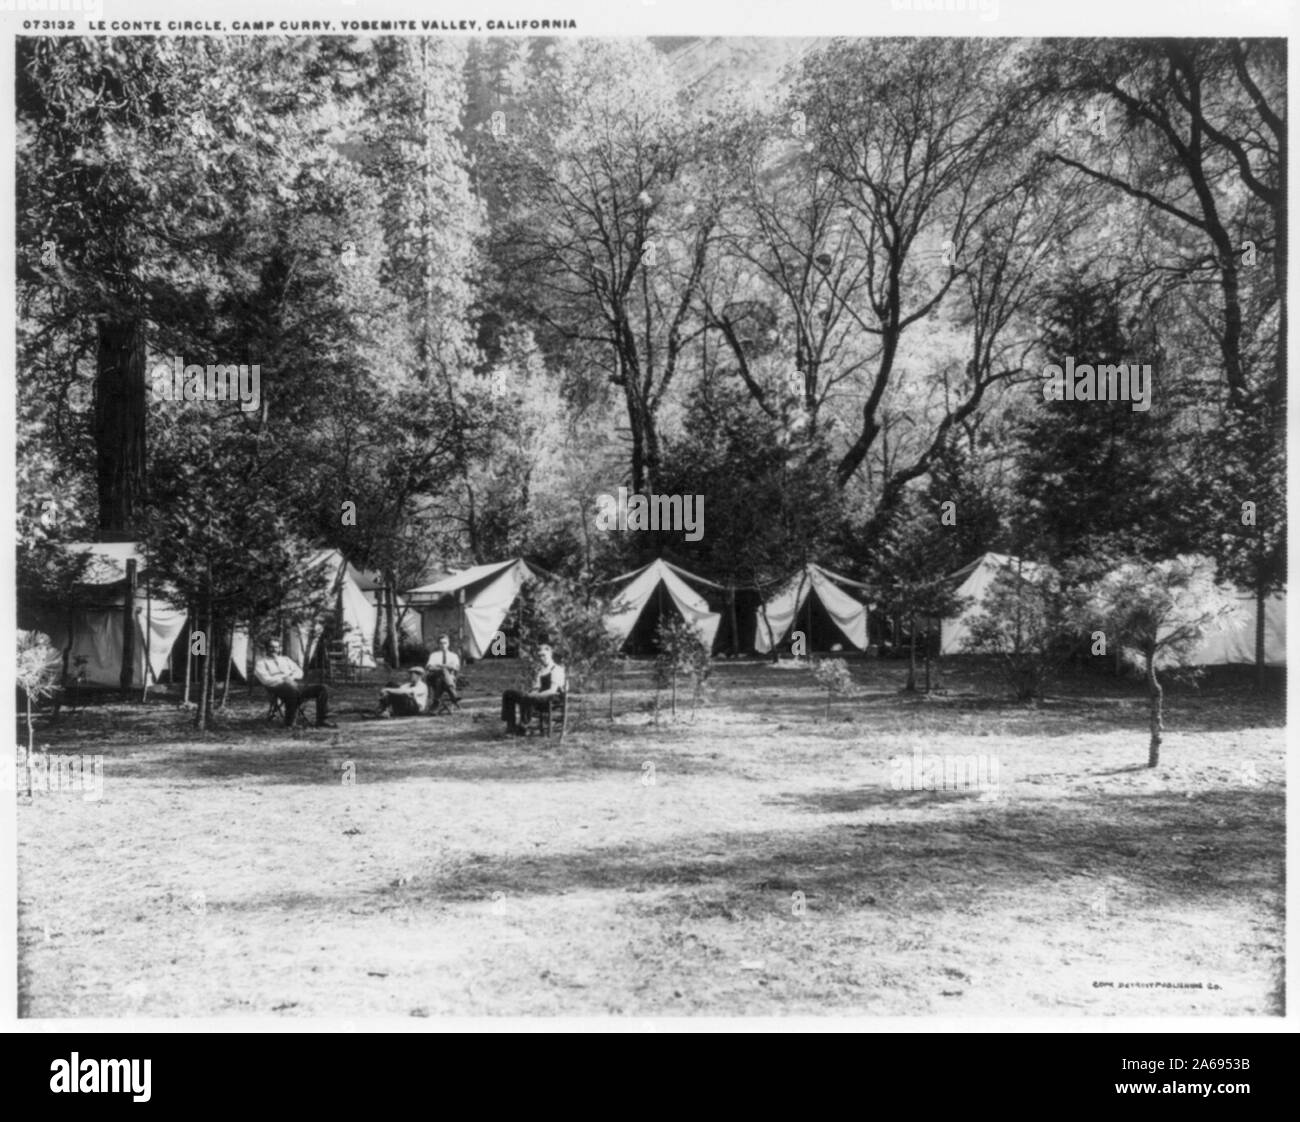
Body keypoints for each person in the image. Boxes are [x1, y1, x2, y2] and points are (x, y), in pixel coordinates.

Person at [253, 638, 335, 728]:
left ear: (279, 648)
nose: (274, 650)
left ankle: (322, 720)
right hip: (277, 687)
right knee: (291, 690)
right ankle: (290, 723)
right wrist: (283, 679)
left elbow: (299, 672)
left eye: (276, 647)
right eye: (271, 647)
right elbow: (265, 679)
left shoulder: (286, 659)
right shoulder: (261, 663)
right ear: (266, 648)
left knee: (322, 689)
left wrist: (291, 678)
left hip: (294, 684)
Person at [501, 643, 566, 735]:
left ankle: (523, 727)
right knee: (509, 694)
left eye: (544, 655)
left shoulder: (556, 669)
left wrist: (535, 695)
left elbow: (552, 690)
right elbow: (537, 688)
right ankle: (510, 726)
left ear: (550, 654)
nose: (542, 658)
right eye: (539, 656)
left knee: (528, 698)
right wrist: (532, 693)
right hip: (538, 697)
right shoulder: (541, 670)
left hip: (551, 698)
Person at [424, 634, 462, 712]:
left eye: (445, 643)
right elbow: (429, 667)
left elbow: (456, 668)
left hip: (447, 678)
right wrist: (445, 667)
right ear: (438, 644)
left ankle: (436, 703)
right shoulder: (434, 655)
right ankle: (453, 694)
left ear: (448, 644)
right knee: (443, 671)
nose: (443, 645)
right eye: (441, 643)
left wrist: (440, 666)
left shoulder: (453, 656)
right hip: (434, 677)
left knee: (440, 680)